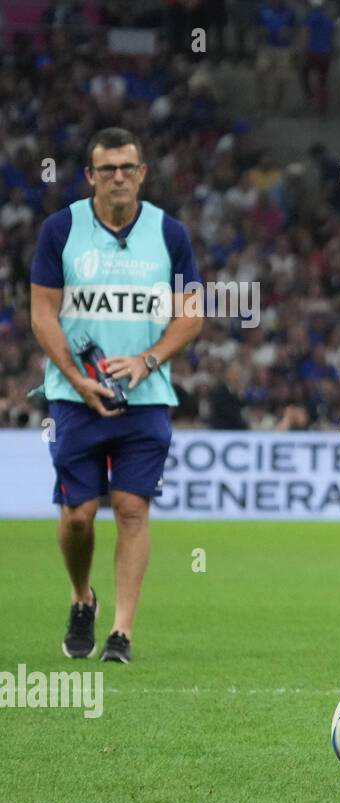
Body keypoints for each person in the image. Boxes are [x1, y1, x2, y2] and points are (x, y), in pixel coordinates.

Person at [29, 127, 205, 663]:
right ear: (90, 177)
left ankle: (122, 633)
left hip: (146, 398)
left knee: (132, 508)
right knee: (78, 516)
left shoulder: (169, 233)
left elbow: (192, 313)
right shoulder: (60, 230)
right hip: (73, 397)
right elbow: (42, 311)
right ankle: (83, 597)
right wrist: (74, 375)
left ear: (143, 173)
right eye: (107, 169)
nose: (119, 177)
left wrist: (149, 359)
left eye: (128, 167)